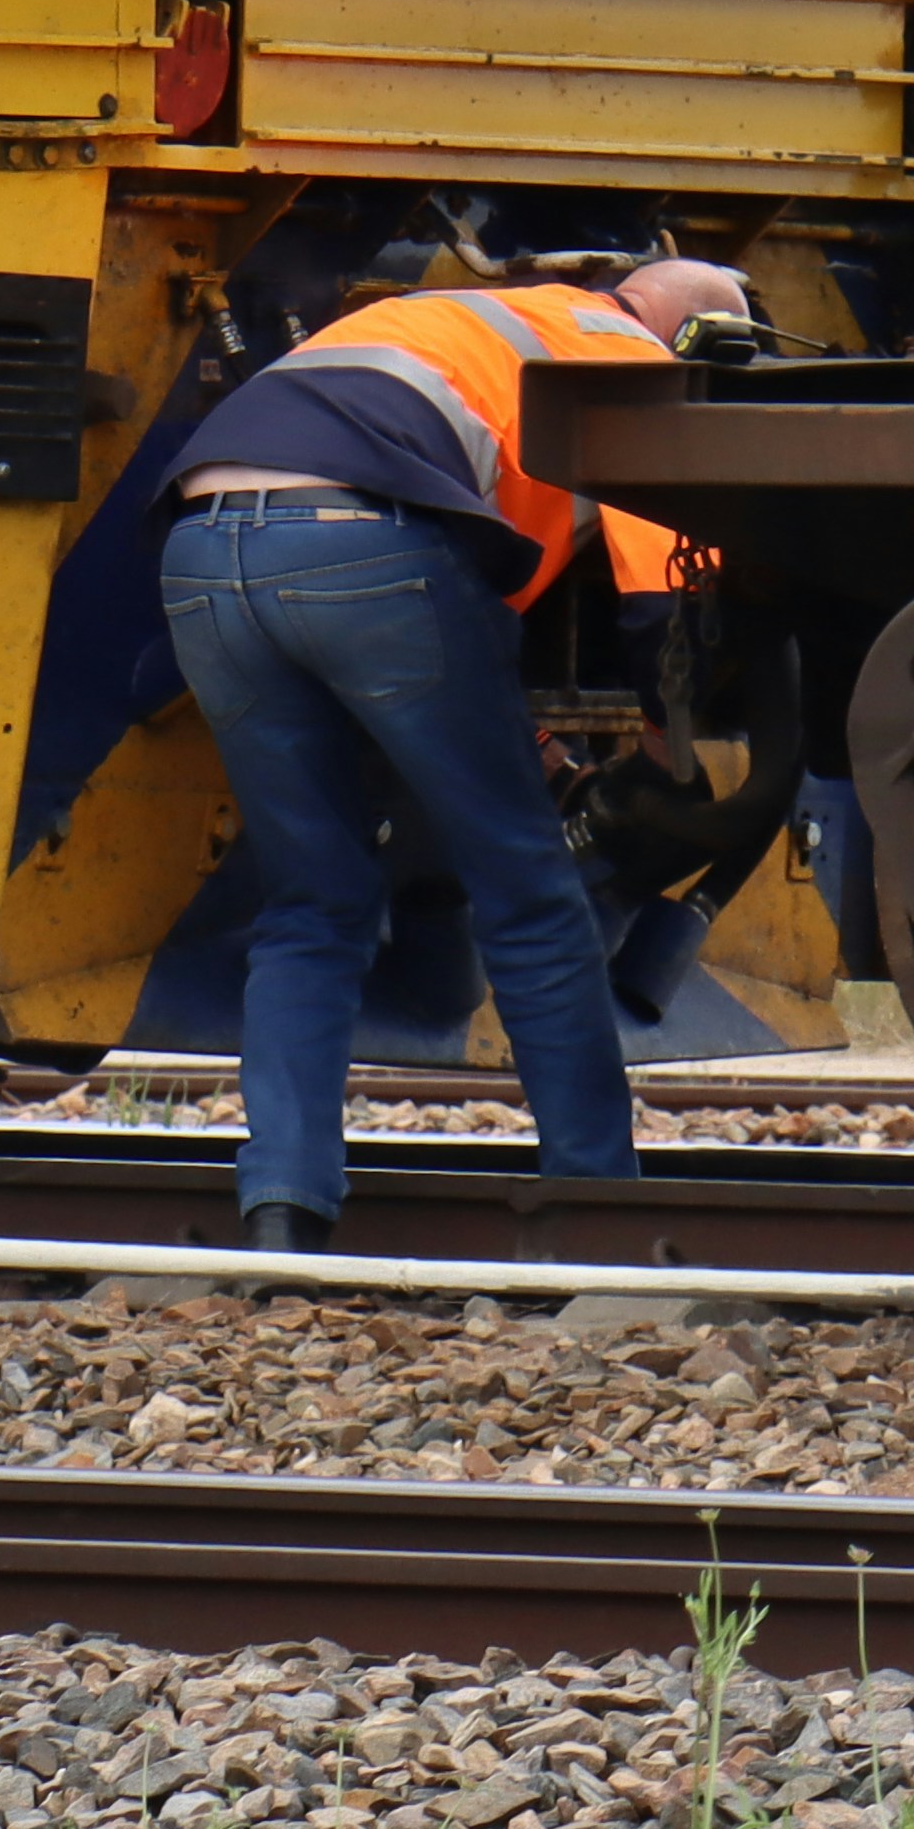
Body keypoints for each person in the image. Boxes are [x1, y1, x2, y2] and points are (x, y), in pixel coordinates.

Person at [151, 251, 746, 1254]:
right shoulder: (618, 346)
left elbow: (453, 628)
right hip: (362, 547)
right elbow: (664, 593)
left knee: (313, 900)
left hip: (204, 551)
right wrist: (667, 744)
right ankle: (597, 1201)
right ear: (687, 333)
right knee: (530, 893)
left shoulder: (452, 317)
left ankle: (282, 1208)